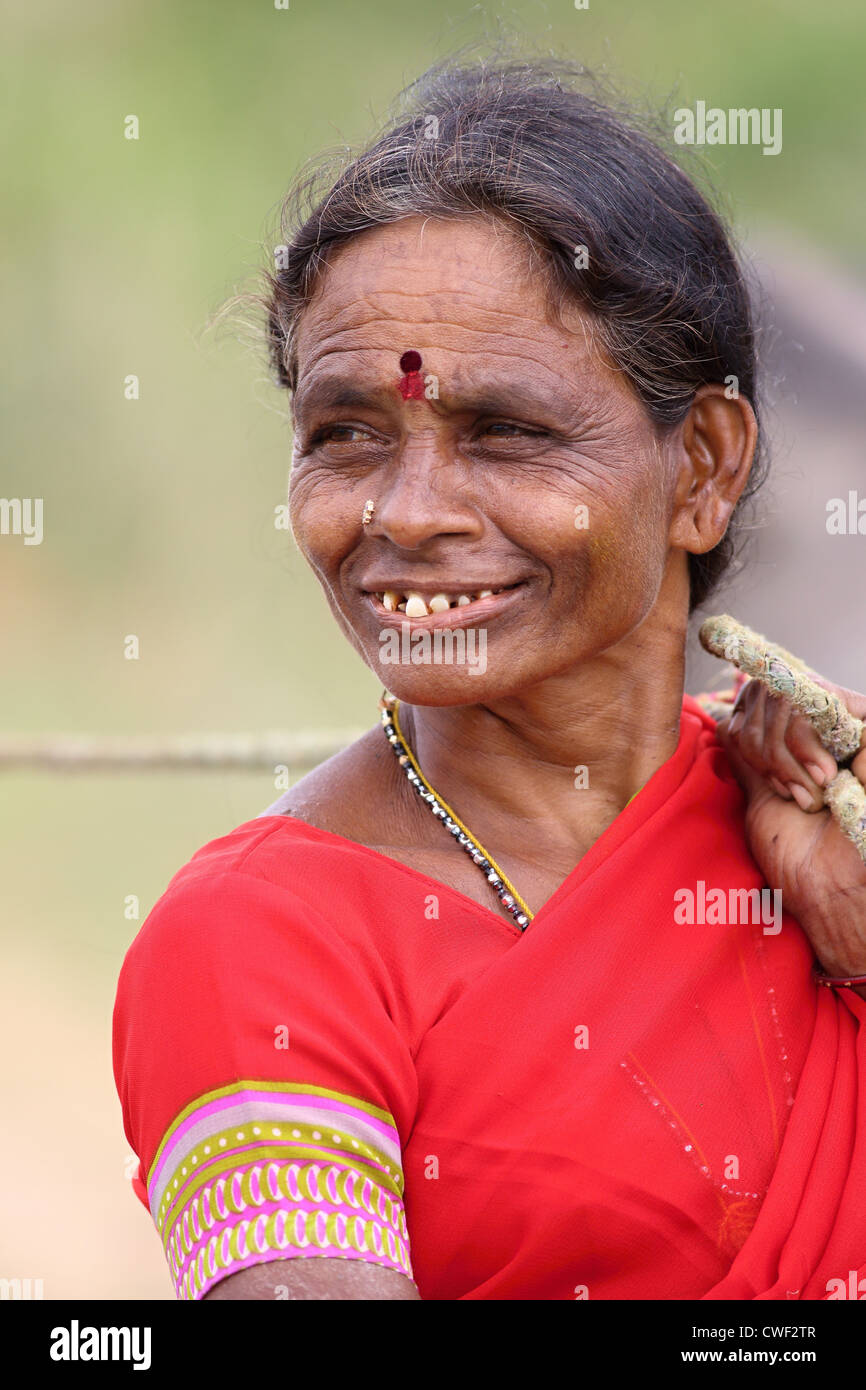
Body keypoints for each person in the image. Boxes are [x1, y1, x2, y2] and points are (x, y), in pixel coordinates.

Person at [113, 59, 866, 1301]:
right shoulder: (261, 941)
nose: (404, 514)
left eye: (505, 433)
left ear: (703, 471)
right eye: (344, 433)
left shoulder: (820, 826)